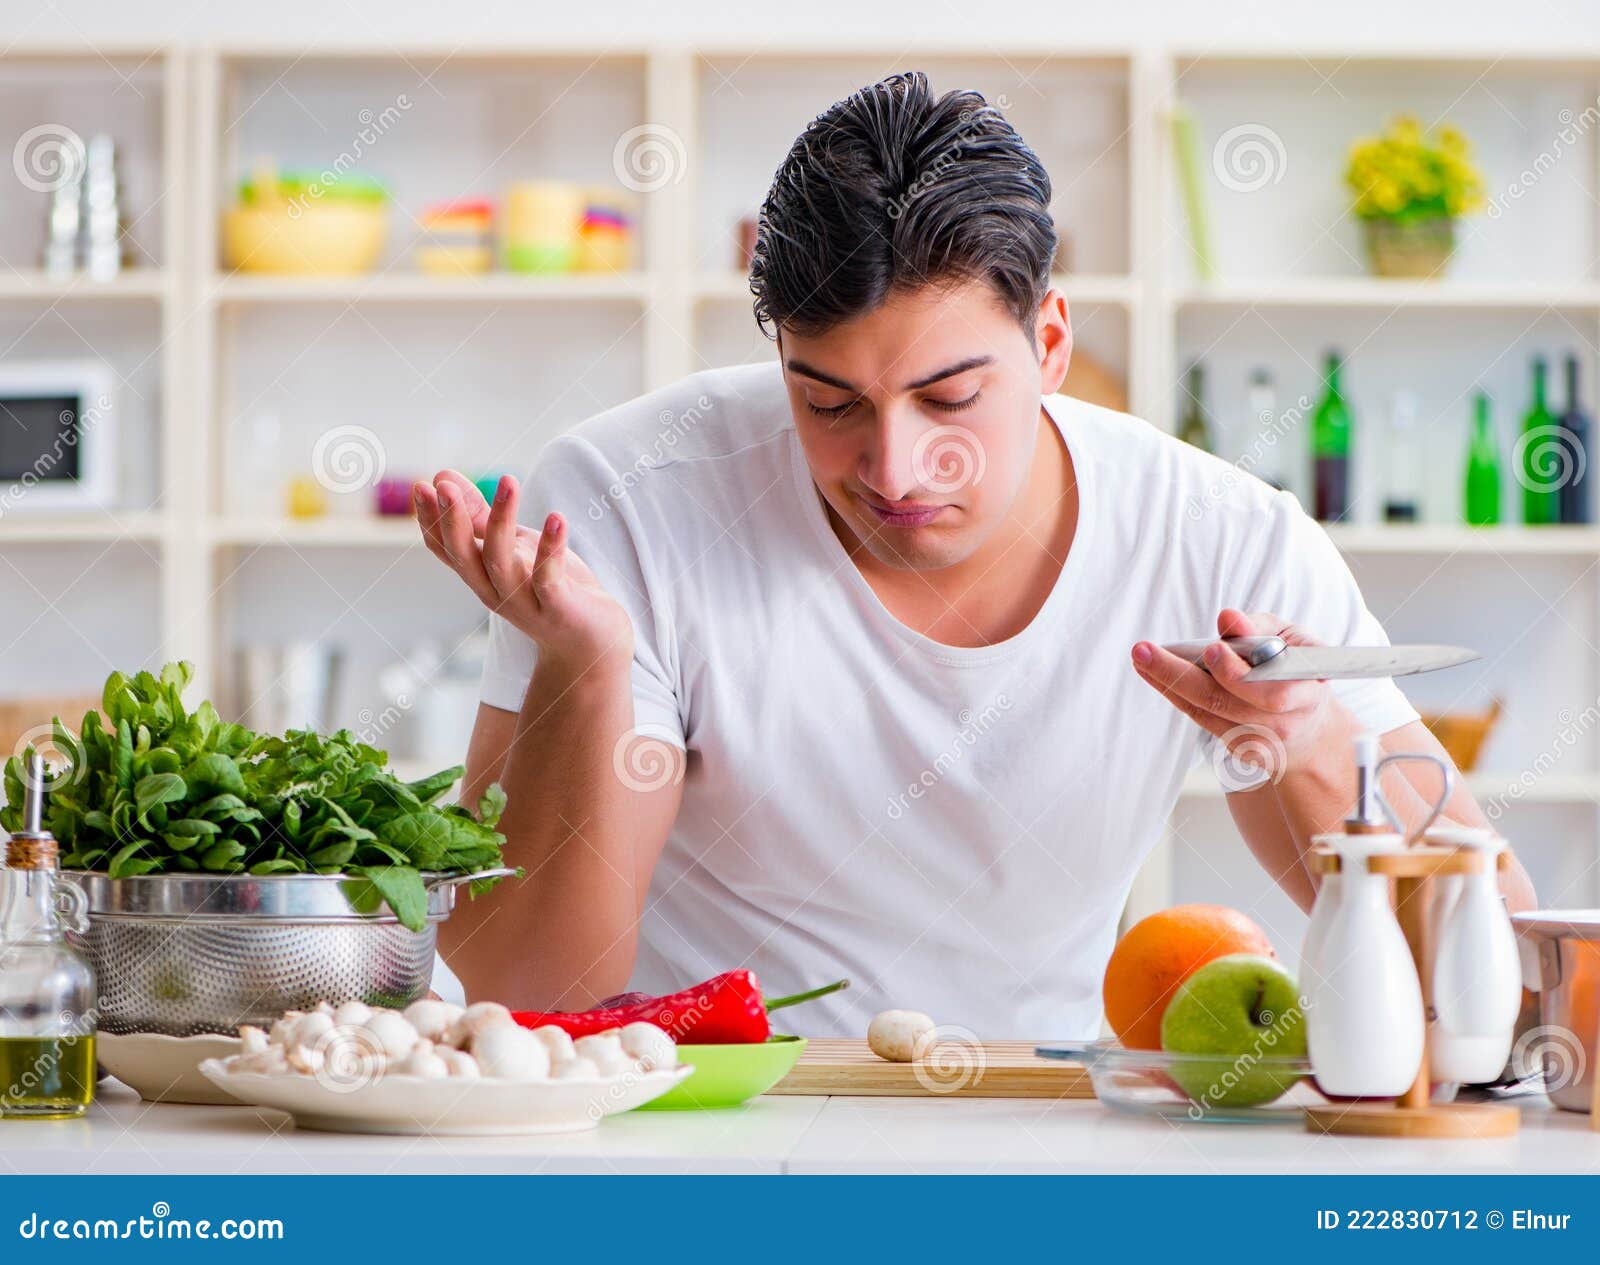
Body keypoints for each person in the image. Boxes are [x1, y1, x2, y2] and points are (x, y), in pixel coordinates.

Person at [411, 72, 1533, 1037]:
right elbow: (522, 996)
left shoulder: (1222, 535)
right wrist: (590, 671)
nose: (895, 468)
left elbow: (1493, 972)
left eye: (948, 396)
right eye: (828, 401)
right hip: (691, 1124)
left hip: (1029, 1118)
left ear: (1049, 342)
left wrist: (1303, 742)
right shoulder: (626, 499)